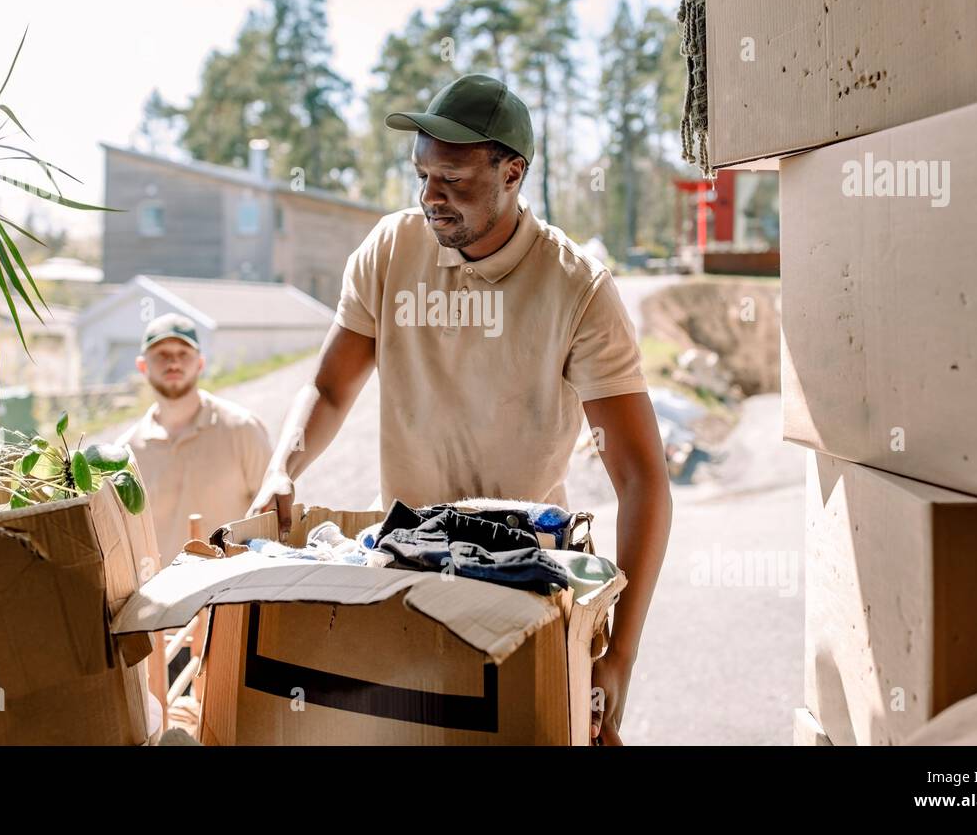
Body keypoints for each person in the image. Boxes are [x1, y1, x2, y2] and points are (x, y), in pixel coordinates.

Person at [248, 73, 672, 744]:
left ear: (513, 173)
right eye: (422, 176)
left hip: (525, 584)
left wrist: (621, 654)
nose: (429, 197)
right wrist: (283, 466)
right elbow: (329, 389)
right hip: (402, 565)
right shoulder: (391, 249)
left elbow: (641, 476)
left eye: (452, 180)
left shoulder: (578, 289)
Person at [122, 312, 272, 564]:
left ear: (200, 363)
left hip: (233, 586)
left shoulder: (242, 429)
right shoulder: (126, 453)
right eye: (162, 354)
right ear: (143, 366)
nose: (173, 362)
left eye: (183, 353)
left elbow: (275, 518)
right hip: (163, 588)